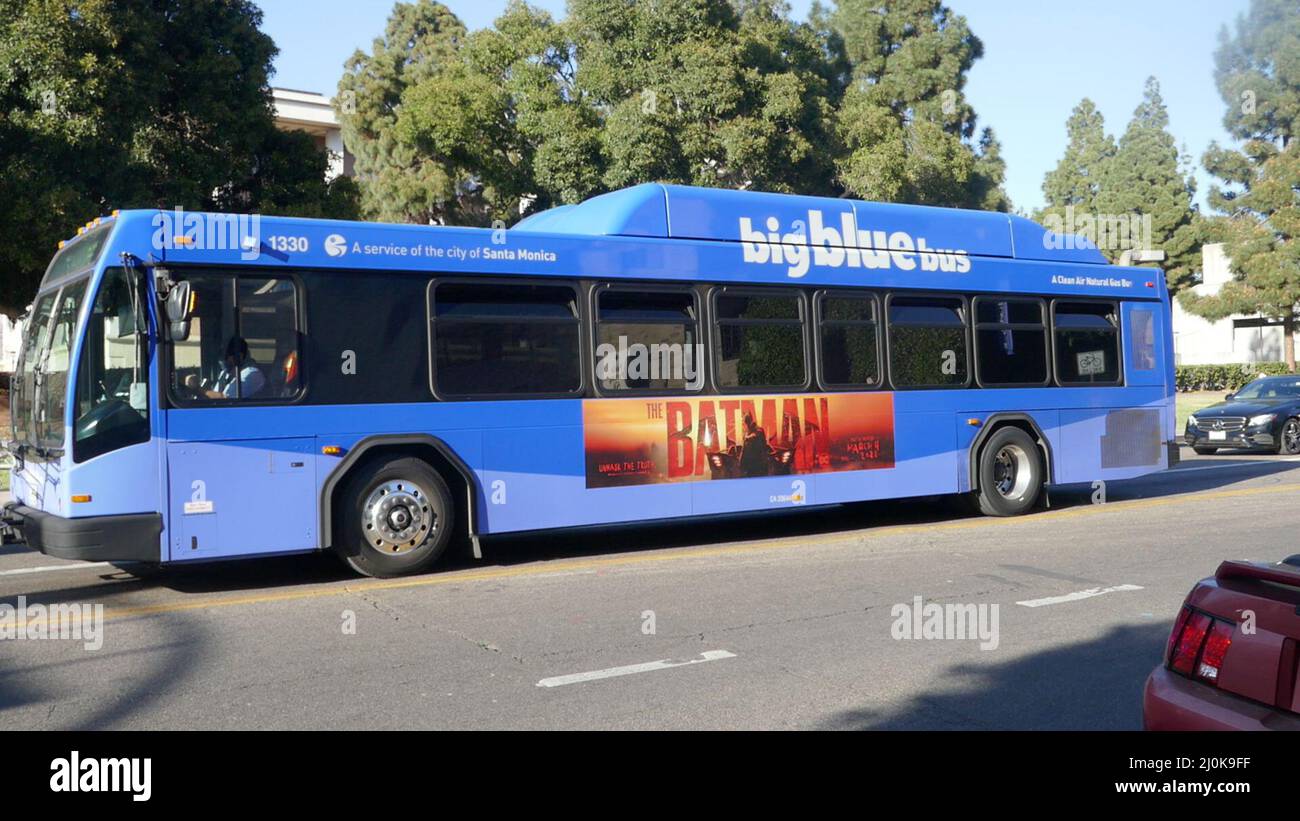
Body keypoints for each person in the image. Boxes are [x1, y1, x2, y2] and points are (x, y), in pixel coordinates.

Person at [185, 336, 266, 400]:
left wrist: (197, 389)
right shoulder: (226, 373)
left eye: (225, 357)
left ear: (239, 356)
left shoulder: (252, 374)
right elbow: (215, 395)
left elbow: (226, 399)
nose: (222, 360)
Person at [739, 412, 771, 478]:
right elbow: (744, 451)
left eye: (743, 424)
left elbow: (756, 435)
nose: (742, 426)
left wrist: (748, 437)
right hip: (750, 468)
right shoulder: (747, 434)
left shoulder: (758, 431)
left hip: (759, 467)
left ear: (747, 423)